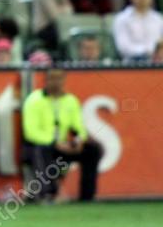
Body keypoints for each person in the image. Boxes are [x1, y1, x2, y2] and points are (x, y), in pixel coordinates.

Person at [21, 68, 103, 202]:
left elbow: (78, 126)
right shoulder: (34, 100)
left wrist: (79, 140)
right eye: (52, 78)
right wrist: (55, 143)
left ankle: (87, 196)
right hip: (40, 146)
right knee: (41, 149)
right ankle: (47, 194)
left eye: (59, 78)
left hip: (63, 145)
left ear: (64, 80)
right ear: (46, 80)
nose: (56, 82)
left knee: (93, 149)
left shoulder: (70, 100)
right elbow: (31, 132)